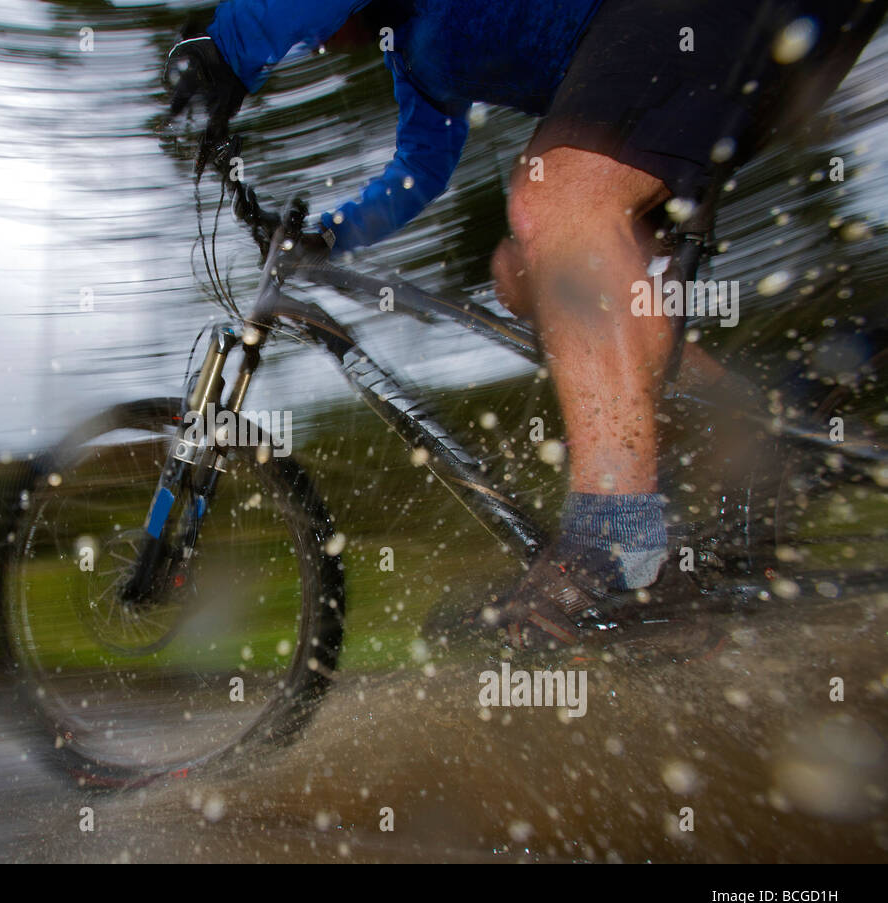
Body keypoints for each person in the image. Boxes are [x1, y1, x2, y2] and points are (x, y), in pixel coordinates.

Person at [165, 0, 887, 651]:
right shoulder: (413, 53)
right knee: (528, 271)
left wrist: (226, 47)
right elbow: (420, 167)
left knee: (560, 206)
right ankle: (753, 440)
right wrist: (332, 236)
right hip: (724, 67)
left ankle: (616, 547)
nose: (315, 45)